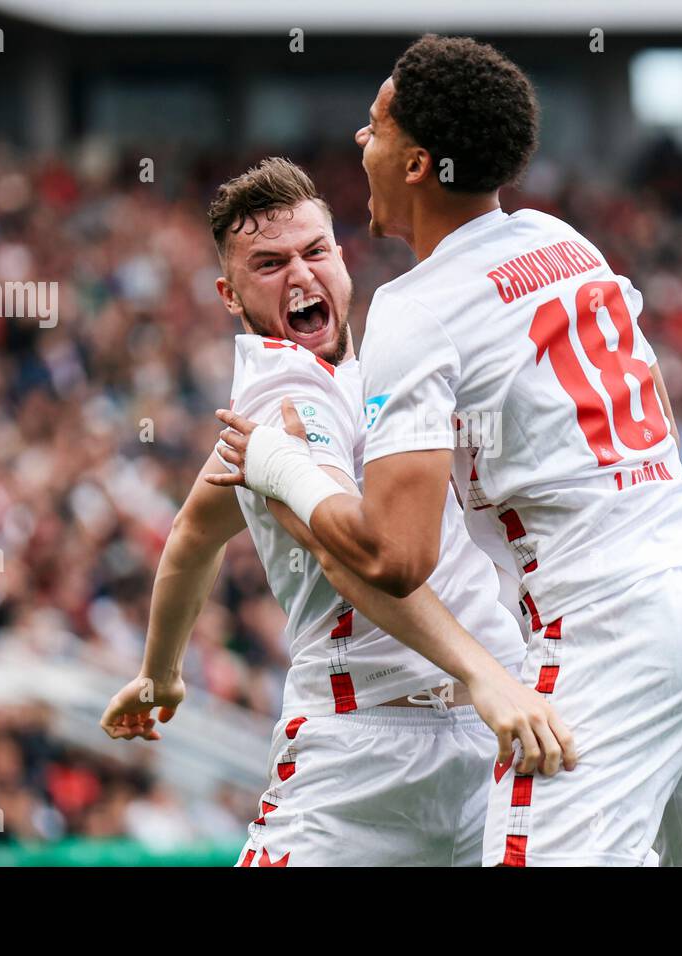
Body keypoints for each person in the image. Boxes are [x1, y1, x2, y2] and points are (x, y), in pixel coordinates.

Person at [210, 36, 682, 866]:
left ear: (415, 163)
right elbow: (647, 406)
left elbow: (394, 556)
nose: (358, 143)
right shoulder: (564, 241)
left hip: (613, 628)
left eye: (373, 126)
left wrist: (278, 467)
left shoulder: (417, 305)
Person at [101, 157, 574, 867]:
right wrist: (486, 676)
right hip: (366, 758)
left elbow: (196, 530)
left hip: (489, 737)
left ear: (342, 260)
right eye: (269, 264)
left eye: (314, 251)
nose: (300, 275)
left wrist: (161, 671)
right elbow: (352, 552)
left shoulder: (374, 367)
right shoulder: (282, 395)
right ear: (230, 296)